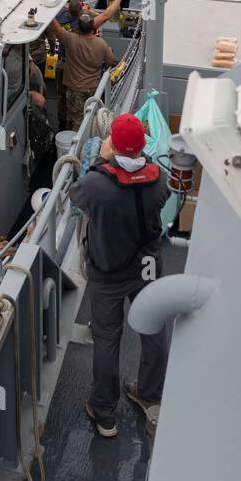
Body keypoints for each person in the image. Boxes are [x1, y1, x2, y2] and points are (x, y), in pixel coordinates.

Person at [69, 112, 169, 439]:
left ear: (113, 145)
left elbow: (75, 197)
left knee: (108, 340)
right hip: (147, 268)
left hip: (108, 273)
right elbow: (162, 193)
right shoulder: (160, 180)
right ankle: (150, 396)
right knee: (152, 333)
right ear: (142, 146)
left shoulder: (97, 185)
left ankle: (105, 413)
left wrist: (101, 159)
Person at [50, 0, 131, 131]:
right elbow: (107, 14)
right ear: (93, 27)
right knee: (91, 118)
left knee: (72, 116)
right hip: (93, 87)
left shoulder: (69, 39)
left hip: (72, 84)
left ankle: (68, 136)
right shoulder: (101, 43)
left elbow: (53, 19)